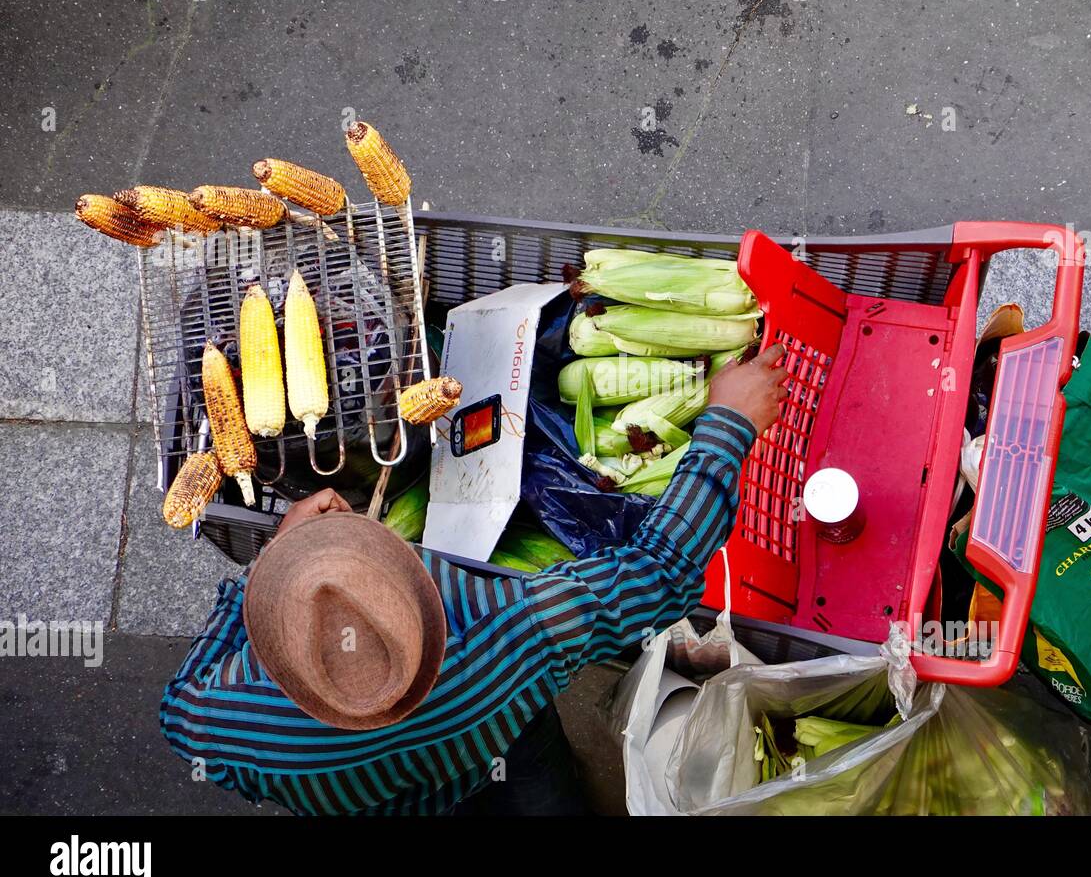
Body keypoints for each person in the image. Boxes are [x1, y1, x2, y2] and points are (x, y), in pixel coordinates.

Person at [160, 344, 789, 815]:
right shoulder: (501, 637)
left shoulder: (218, 720)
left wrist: (273, 562)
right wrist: (726, 425)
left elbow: (178, 705)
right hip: (502, 747)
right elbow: (660, 573)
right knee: (542, 790)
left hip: (378, 800)